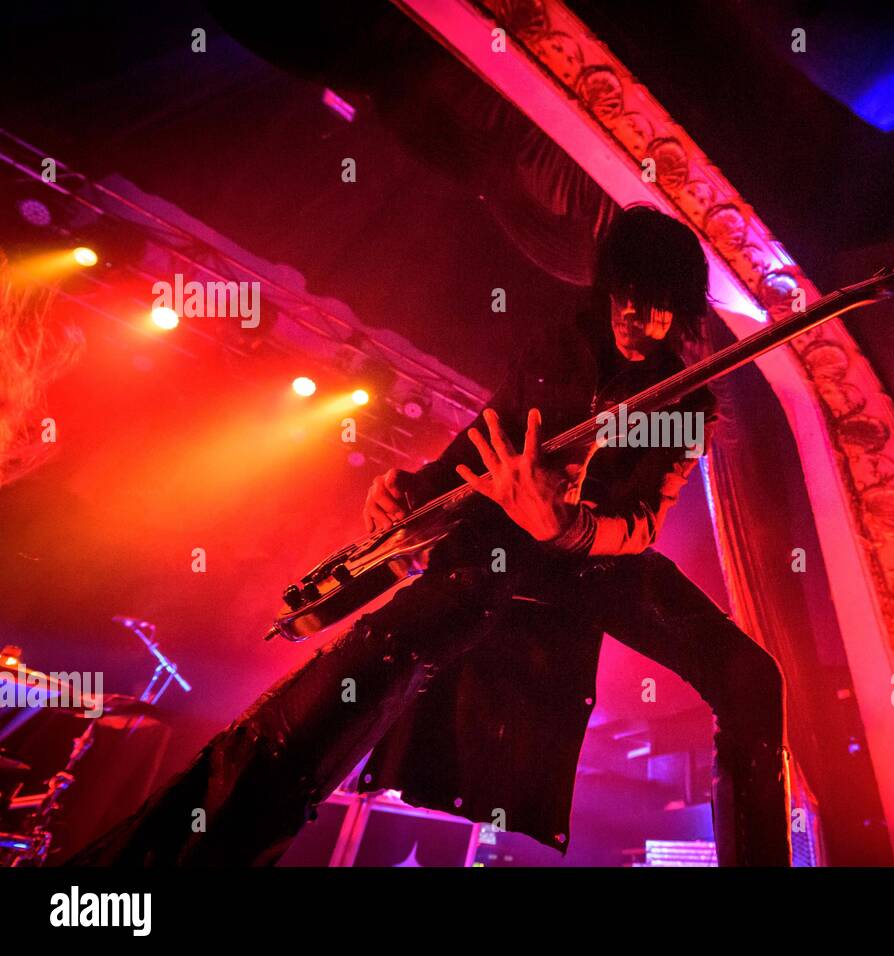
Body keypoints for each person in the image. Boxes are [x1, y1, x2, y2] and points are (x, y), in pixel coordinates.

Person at [68, 205, 792, 867]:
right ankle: (180, 859)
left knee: (754, 679)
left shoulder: (688, 401)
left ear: (684, 308)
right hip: (495, 541)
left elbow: (640, 525)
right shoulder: (553, 347)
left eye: (658, 308)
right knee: (379, 655)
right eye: (626, 299)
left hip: (592, 559)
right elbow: (477, 446)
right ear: (608, 290)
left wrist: (567, 526)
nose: (638, 319)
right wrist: (411, 490)